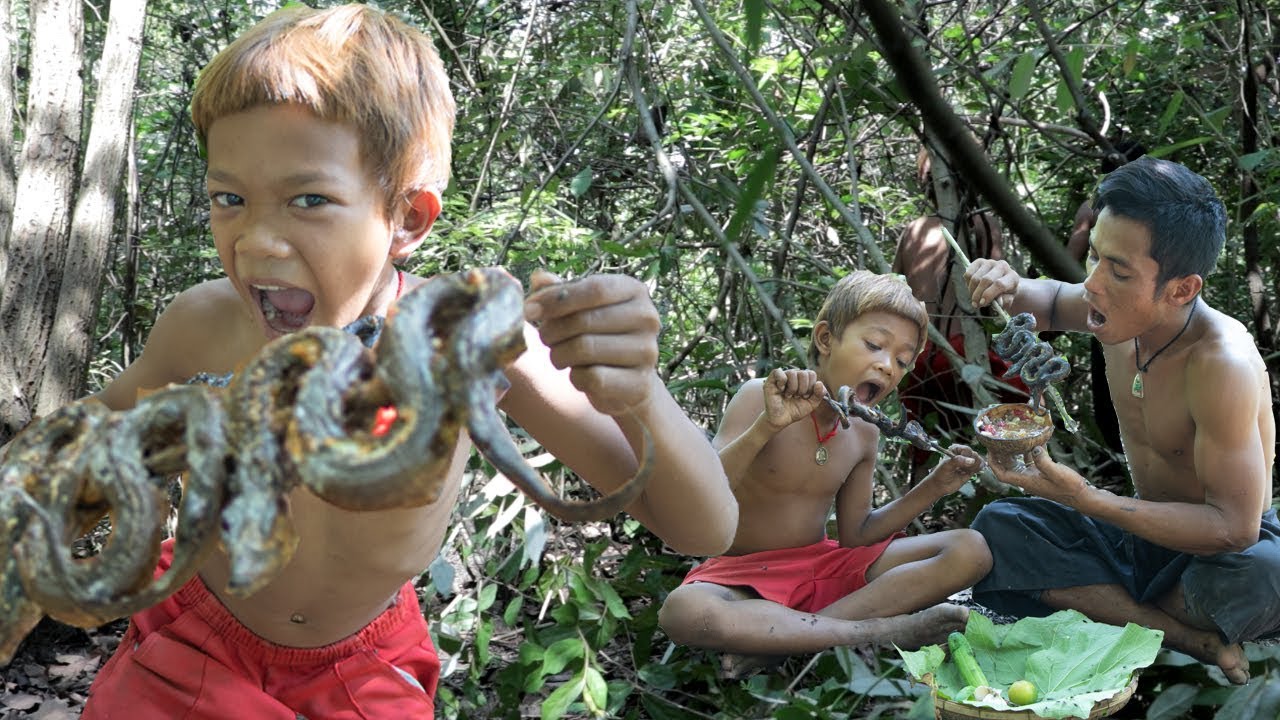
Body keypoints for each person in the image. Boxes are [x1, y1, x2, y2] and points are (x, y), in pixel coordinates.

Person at [76, 6, 738, 718]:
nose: (257, 240)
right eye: (229, 199)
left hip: (363, 668)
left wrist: (639, 394)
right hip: (191, 644)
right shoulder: (202, 326)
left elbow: (703, 530)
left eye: (309, 199)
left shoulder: (467, 339)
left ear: (407, 218)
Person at [964, 156, 1278, 685]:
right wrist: (1006, 284)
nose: (1092, 283)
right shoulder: (1112, 312)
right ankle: (1184, 636)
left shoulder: (1221, 363)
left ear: (1181, 289)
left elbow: (1234, 527)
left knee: (1268, 575)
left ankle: (1112, 605)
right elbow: (1049, 301)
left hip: (1213, 555)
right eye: (1094, 256)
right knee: (1000, 528)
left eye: (1119, 271)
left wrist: (1085, 499)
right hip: (1137, 536)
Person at [657, 270, 991, 678]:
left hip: (823, 568)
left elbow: (857, 535)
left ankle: (786, 639)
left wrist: (935, 485)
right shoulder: (759, 397)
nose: (887, 365)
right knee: (683, 611)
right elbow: (703, 495)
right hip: (743, 575)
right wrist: (767, 426)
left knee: (970, 549)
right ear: (825, 339)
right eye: (874, 345)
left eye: (902, 361)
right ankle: (876, 630)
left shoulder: (865, 432)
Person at [893, 147, 1025, 472]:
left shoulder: (913, 231)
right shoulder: (984, 223)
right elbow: (999, 300)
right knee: (1014, 422)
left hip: (919, 358)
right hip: (965, 350)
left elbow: (892, 297)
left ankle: (923, 497)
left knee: (926, 446)